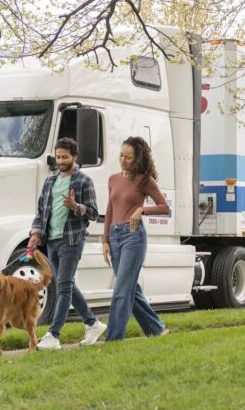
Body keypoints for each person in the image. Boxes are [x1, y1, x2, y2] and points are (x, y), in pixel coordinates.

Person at [29, 137, 107, 350]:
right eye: (58, 157)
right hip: (51, 241)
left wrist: (75, 206)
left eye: (65, 157)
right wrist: (35, 233)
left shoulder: (83, 181)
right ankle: (93, 323)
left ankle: (53, 335)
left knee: (63, 287)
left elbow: (93, 213)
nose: (61, 161)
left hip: (72, 240)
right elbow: (41, 213)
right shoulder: (49, 182)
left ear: (74, 157)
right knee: (67, 285)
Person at [102, 136, 169, 341]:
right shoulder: (113, 179)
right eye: (121, 156)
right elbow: (110, 210)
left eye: (128, 157)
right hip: (114, 237)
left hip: (133, 237)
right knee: (130, 287)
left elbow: (164, 207)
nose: (123, 160)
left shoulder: (144, 180)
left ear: (137, 159)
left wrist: (142, 210)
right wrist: (105, 240)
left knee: (121, 289)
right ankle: (157, 330)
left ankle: (114, 339)